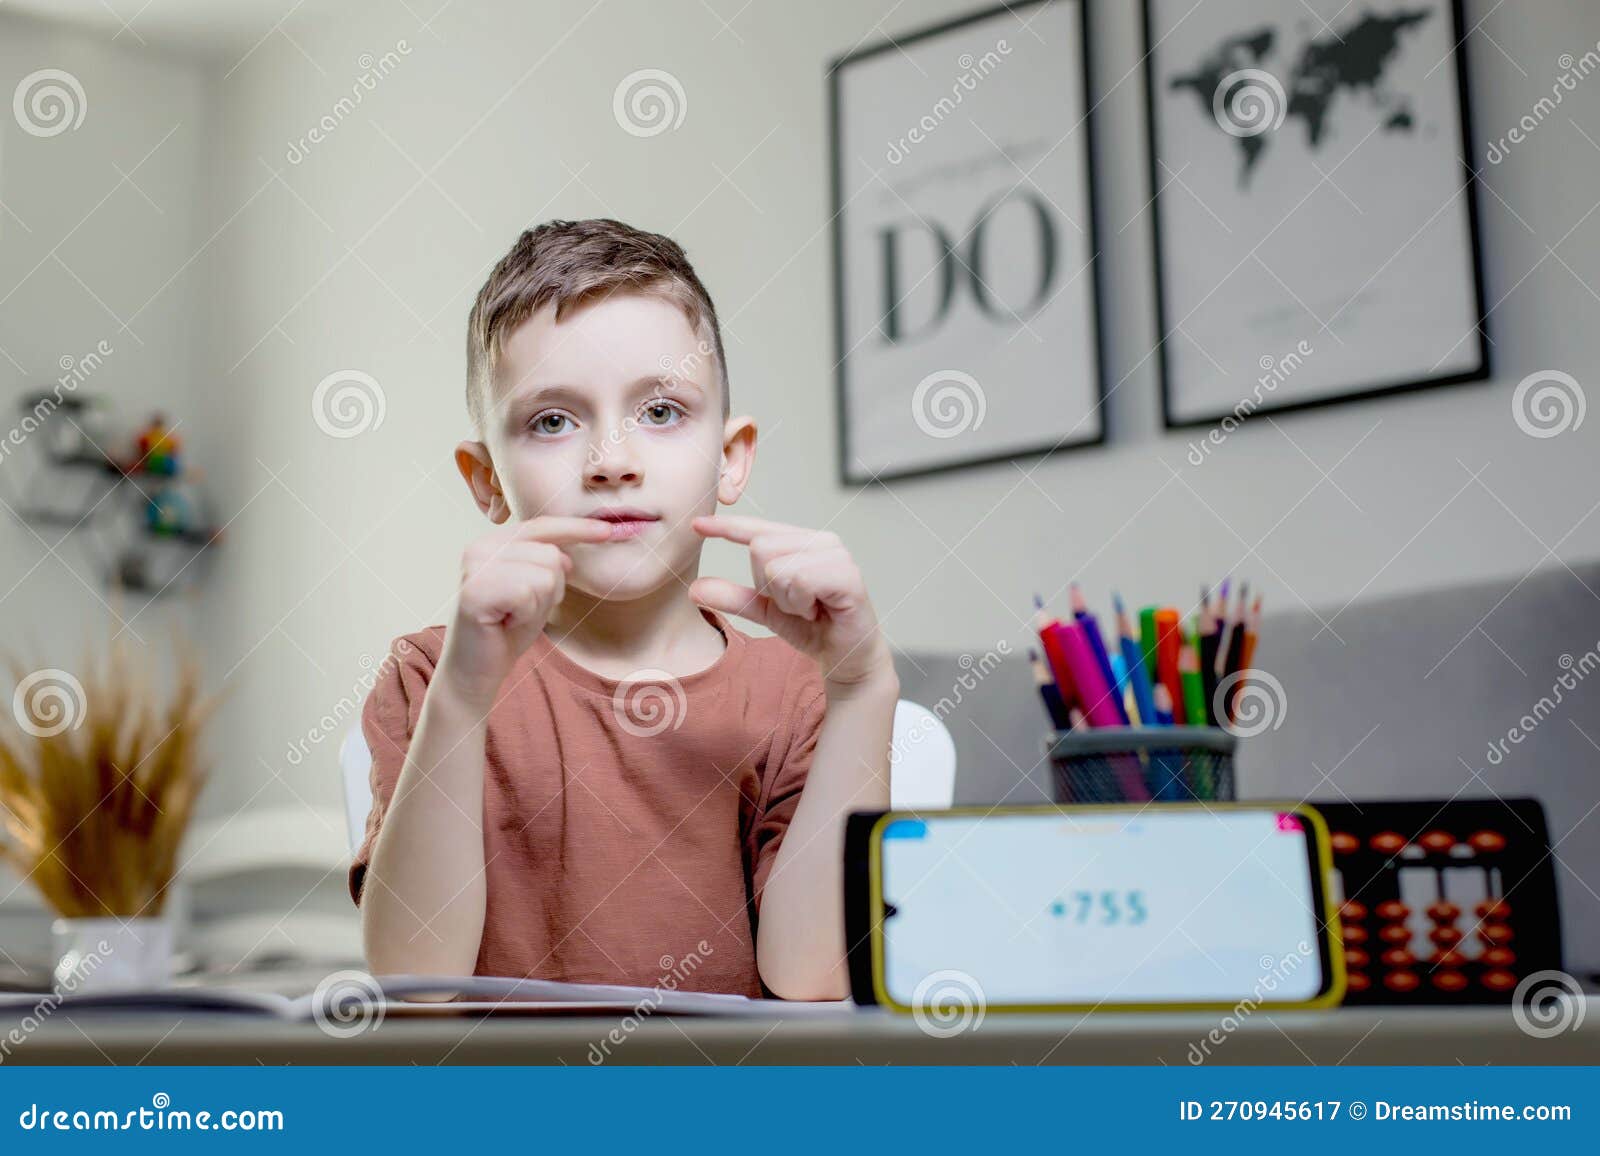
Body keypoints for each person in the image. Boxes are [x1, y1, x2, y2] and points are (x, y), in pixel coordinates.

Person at [349, 218, 897, 1000]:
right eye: (553, 421)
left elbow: (815, 978)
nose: (612, 462)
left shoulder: (798, 694)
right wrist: (464, 699)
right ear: (487, 482)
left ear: (730, 457)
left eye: (662, 411)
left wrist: (862, 688)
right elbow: (415, 977)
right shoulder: (432, 676)